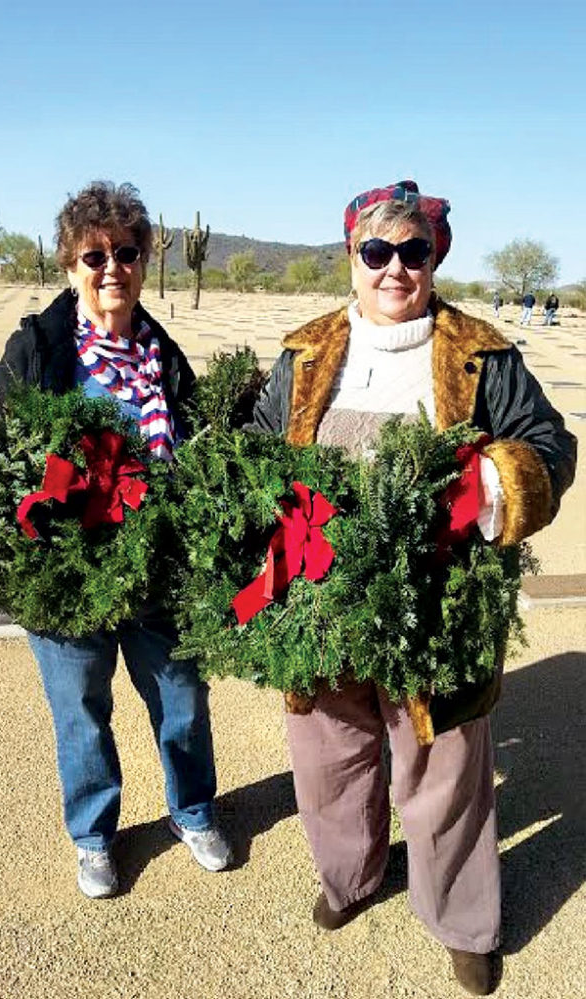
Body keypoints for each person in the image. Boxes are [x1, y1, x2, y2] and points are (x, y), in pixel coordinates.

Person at [246, 180, 576, 995]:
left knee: (442, 766)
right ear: (350, 259)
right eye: (376, 252)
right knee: (329, 754)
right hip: (319, 597)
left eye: (412, 252)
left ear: (434, 257)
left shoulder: (481, 353)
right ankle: (349, 876)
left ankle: (462, 918)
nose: (395, 269)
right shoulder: (307, 351)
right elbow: (255, 444)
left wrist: (492, 488)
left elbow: (548, 443)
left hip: (439, 602)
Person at [0, 181, 231, 898]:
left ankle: (193, 808)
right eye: (94, 254)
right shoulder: (38, 349)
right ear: (69, 265)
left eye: (126, 252)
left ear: (145, 262)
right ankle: (94, 834)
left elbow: (200, 447)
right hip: (68, 580)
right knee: (82, 711)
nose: (111, 267)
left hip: (158, 574)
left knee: (182, 699)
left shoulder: (163, 355)